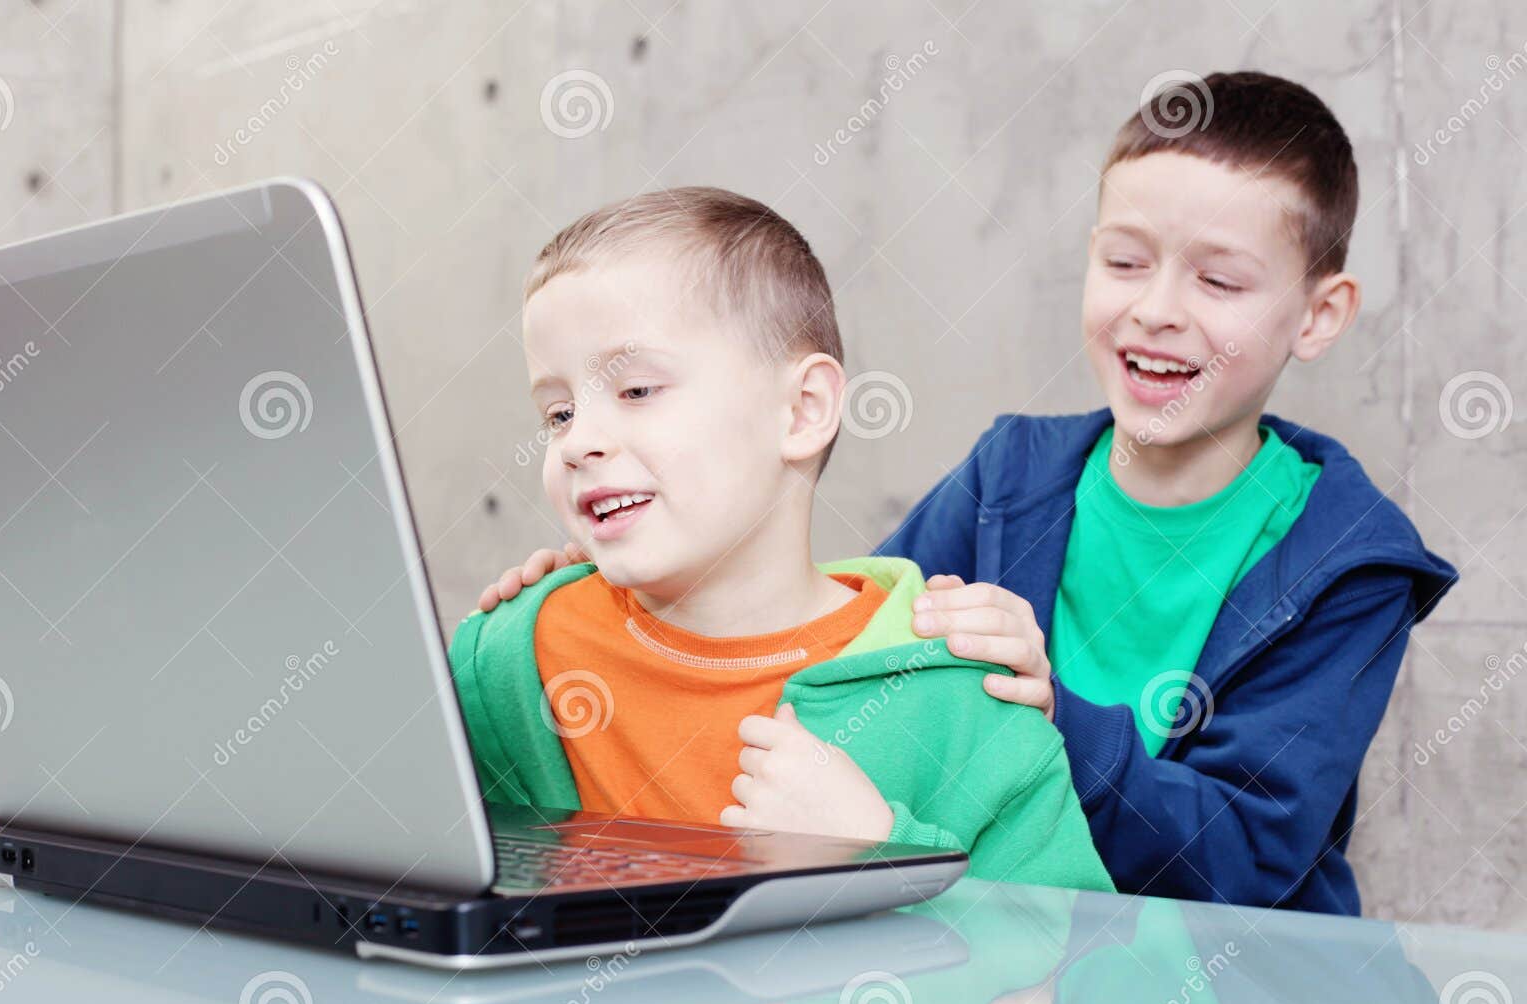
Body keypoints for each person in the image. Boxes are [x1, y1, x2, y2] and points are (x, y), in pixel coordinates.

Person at [484, 75, 1456, 915]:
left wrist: (1050, 718)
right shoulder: (1012, 475)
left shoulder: (1346, 558)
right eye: (1122, 261)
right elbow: (841, 632)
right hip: (1000, 959)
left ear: (1318, 315)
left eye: (1217, 279)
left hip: (1231, 1003)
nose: (1155, 307)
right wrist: (630, 555)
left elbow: (1243, 857)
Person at [450, 187, 1112, 890]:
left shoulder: (962, 702)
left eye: (637, 390)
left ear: (802, 411)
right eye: (557, 412)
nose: (578, 440)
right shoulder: (510, 661)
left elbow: (1067, 973)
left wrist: (881, 857)